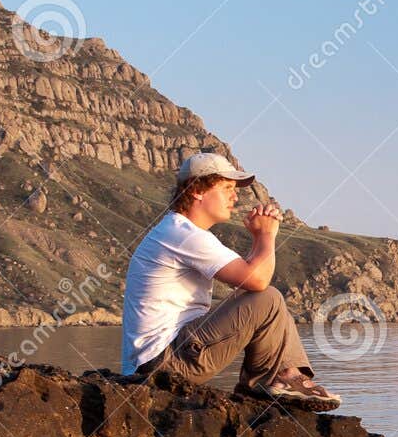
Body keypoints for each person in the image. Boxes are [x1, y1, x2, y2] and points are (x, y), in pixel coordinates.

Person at [120, 152, 338, 410]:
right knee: (267, 298)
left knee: (266, 300)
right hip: (161, 365)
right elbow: (256, 281)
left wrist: (259, 237)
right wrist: (267, 234)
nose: (234, 197)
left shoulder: (178, 231)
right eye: (226, 188)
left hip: (161, 360)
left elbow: (249, 276)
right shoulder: (183, 234)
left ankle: (277, 379)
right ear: (196, 191)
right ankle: (276, 380)